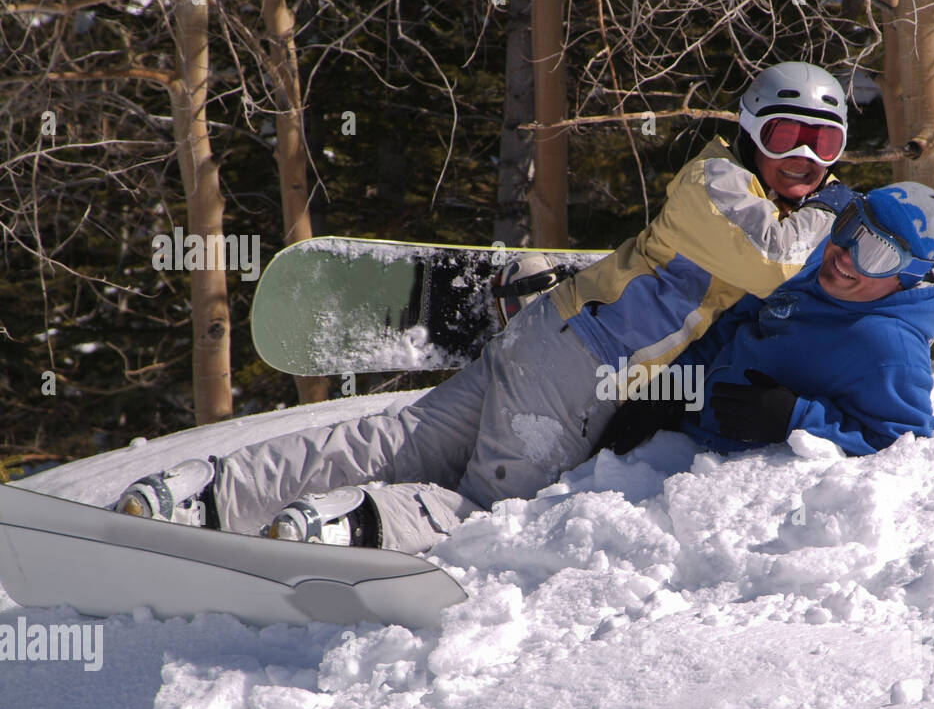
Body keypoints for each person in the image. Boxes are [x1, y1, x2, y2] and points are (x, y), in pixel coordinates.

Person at [116, 61, 858, 553]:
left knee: (392, 439)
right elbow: (776, 258)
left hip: (548, 342)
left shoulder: (754, 193)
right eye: (788, 134)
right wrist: (842, 208)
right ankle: (337, 528)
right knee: (482, 507)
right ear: (751, 130)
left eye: (825, 142)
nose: (806, 158)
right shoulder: (721, 184)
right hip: (577, 372)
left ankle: (204, 493)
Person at [596, 181, 934, 457]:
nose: (846, 255)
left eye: (877, 255)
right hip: (688, 437)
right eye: (851, 226)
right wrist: (673, 391)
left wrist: (796, 418)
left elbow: (904, 445)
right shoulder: (817, 267)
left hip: (744, 494)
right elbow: (733, 323)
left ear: (908, 277)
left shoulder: (888, 346)